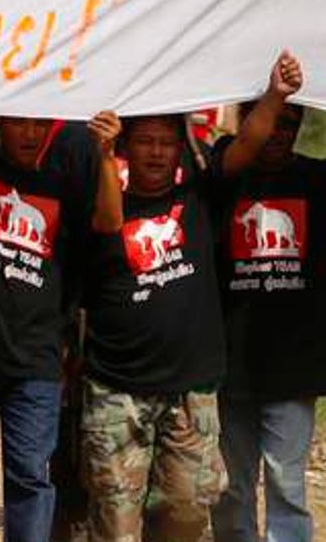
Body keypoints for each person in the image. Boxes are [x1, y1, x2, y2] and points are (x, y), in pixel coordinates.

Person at [77, 52, 301, 542]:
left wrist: (275, 95)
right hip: (117, 389)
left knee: (187, 514)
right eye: (144, 142)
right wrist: (102, 155)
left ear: (180, 149)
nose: (156, 153)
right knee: (114, 523)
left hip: (190, 390)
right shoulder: (103, 205)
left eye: (166, 143)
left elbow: (247, 142)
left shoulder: (200, 196)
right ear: (126, 147)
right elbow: (109, 224)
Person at [0, 109, 123, 542]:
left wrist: (107, 156)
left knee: (30, 475)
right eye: (18, 122)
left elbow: (109, 223)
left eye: (40, 123)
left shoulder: (76, 158)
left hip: (38, 355)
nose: (30, 133)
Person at [207, 99, 326, 542]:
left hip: (295, 363)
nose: (277, 132)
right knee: (230, 485)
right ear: (247, 121)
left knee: (286, 481)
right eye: (268, 120)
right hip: (229, 363)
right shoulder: (221, 179)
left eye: (289, 123)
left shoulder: (322, 182)